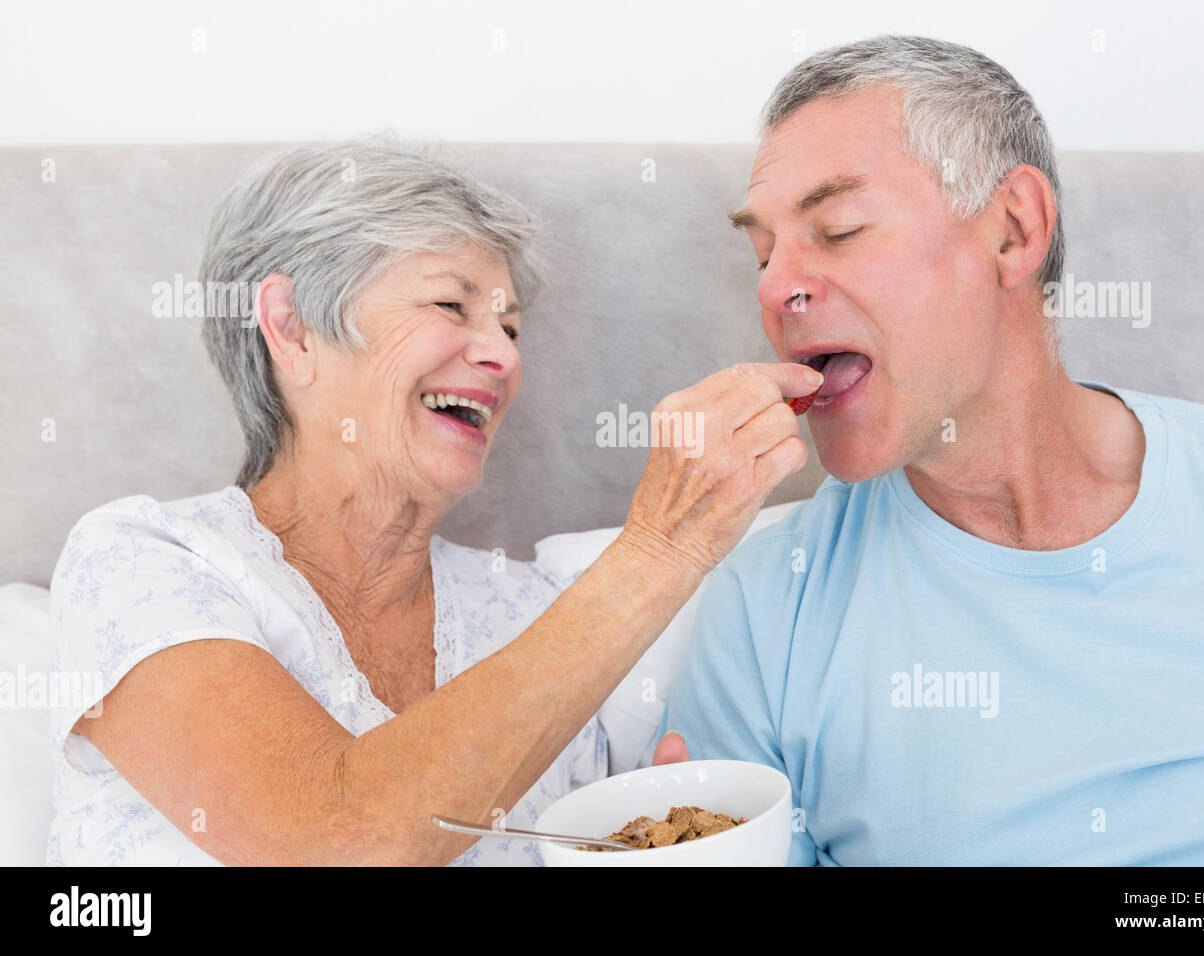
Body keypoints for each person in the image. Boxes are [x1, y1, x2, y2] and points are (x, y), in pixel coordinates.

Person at [46, 141, 821, 865]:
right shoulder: (144, 560)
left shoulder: (528, 614)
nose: (504, 355)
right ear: (293, 329)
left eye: (510, 326)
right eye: (452, 308)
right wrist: (662, 545)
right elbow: (335, 839)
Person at [660, 35, 1204, 865]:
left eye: (840, 229)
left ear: (1012, 231)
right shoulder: (762, 609)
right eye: (762, 252)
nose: (776, 287)